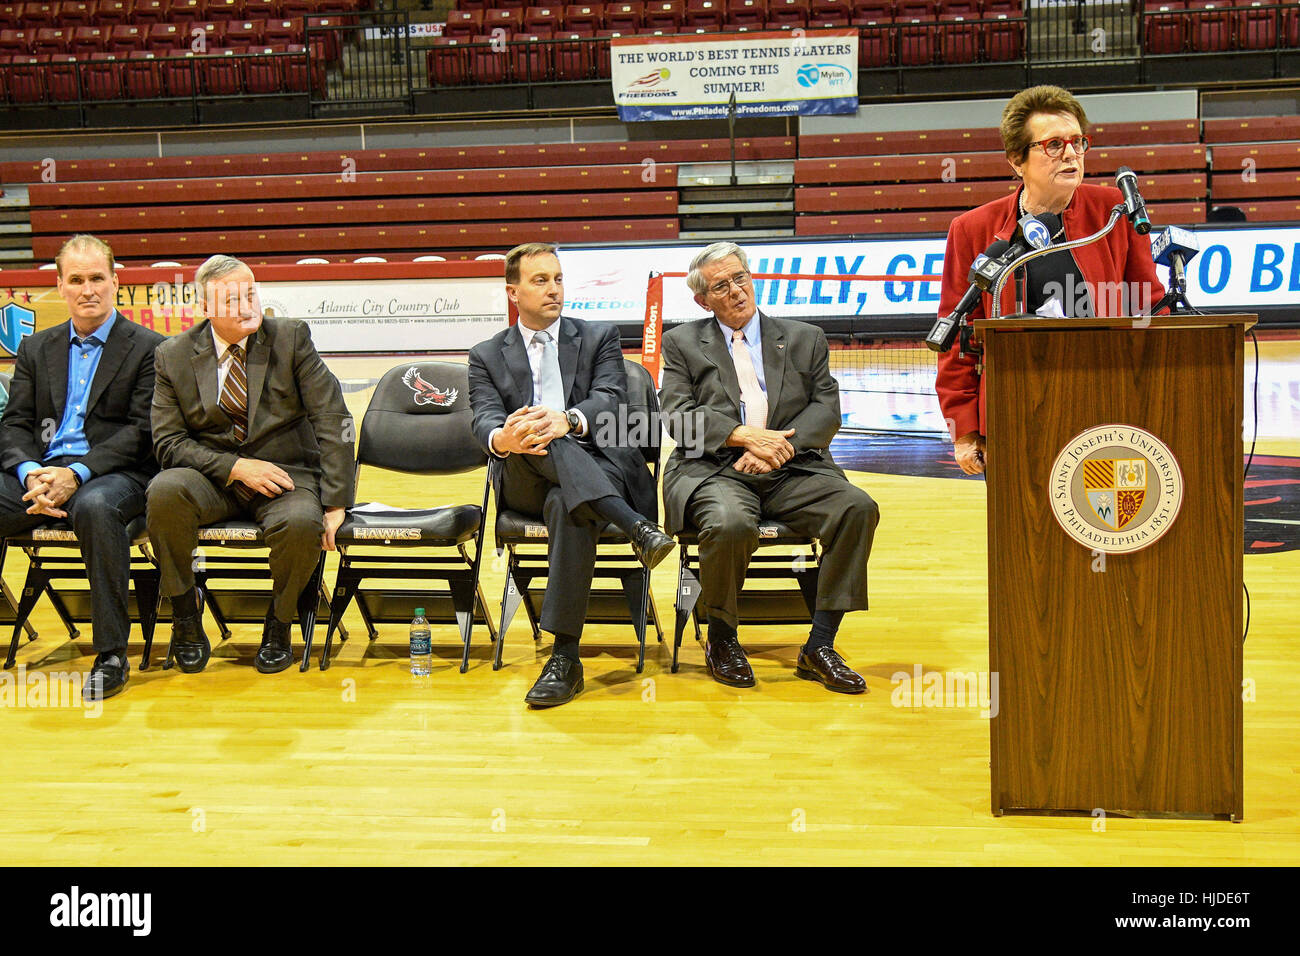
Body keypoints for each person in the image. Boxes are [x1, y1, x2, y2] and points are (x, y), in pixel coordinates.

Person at [659, 241, 880, 694]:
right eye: (722, 286)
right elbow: (677, 416)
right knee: (729, 523)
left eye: (740, 278)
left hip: (792, 466)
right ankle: (722, 638)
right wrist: (742, 436)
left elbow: (826, 410)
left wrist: (774, 448)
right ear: (703, 300)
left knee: (857, 508)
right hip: (715, 469)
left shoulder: (804, 337)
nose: (737, 291)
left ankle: (820, 645)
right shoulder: (681, 343)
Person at [467, 242, 674, 708]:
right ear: (512, 291)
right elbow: (481, 417)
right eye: (540, 280)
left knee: (568, 502)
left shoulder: (597, 336)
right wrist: (506, 438)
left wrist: (569, 420)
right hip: (524, 472)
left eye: (558, 279)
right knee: (537, 430)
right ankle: (636, 525)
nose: (554, 290)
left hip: (598, 465)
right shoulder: (485, 354)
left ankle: (565, 657)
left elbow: (609, 400)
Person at [935, 84, 1166, 475]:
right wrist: (964, 429)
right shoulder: (973, 230)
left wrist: (1154, 399)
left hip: (1110, 406)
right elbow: (958, 337)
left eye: (1078, 142)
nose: (1072, 154)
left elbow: (1151, 307)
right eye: (1054, 145)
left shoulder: (1114, 212)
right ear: (1016, 160)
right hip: (1014, 412)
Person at [147, 254, 354, 675]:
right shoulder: (173, 355)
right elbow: (168, 442)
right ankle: (185, 615)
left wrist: (336, 504)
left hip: (287, 476)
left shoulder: (291, 338)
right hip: (213, 479)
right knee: (164, 491)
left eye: (250, 293)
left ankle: (279, 622)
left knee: (301, 524)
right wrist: (236, 467)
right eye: (231, 300)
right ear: (204, 309)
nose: (246, 306)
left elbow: (334, 420)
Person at [0, 234, 164, 702]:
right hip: (46, 473)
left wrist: (78, 474)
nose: (87, 288)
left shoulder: (150, 348)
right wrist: (32, 472)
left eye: (97, 278)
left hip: (119, 474)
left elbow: (141, 432)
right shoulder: (36, 348)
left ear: (116, 281)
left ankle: (110, 652)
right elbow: (15, 424)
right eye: (76, 280)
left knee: (94, 508)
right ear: (60, 286)